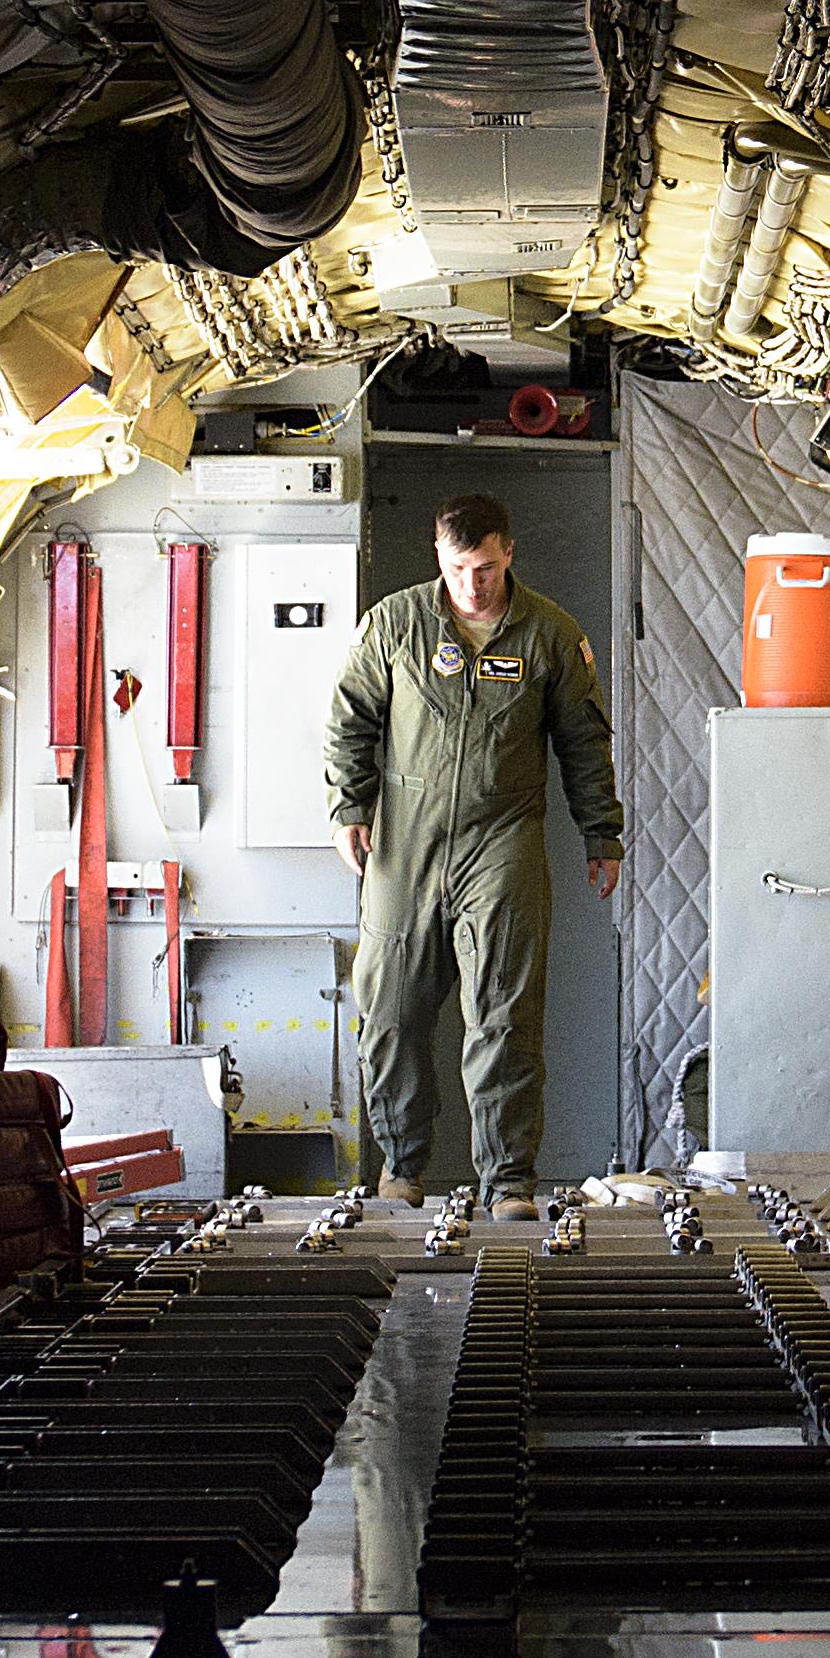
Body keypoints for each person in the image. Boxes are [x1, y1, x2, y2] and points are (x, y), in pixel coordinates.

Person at [322, 492, 623, 1206]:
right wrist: (346, 808)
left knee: (504, 1016)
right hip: (405, 842)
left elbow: (584, 744)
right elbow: (350, 719)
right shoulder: (396, 625)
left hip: (503, 842)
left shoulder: (550, 635)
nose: (471, 584)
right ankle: (401, 1168)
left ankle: (508, 1178)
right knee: (390, 1013)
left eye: (484, 567)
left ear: (508, 553)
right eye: (457, 567)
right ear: (438, 556)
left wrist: (600, 832)